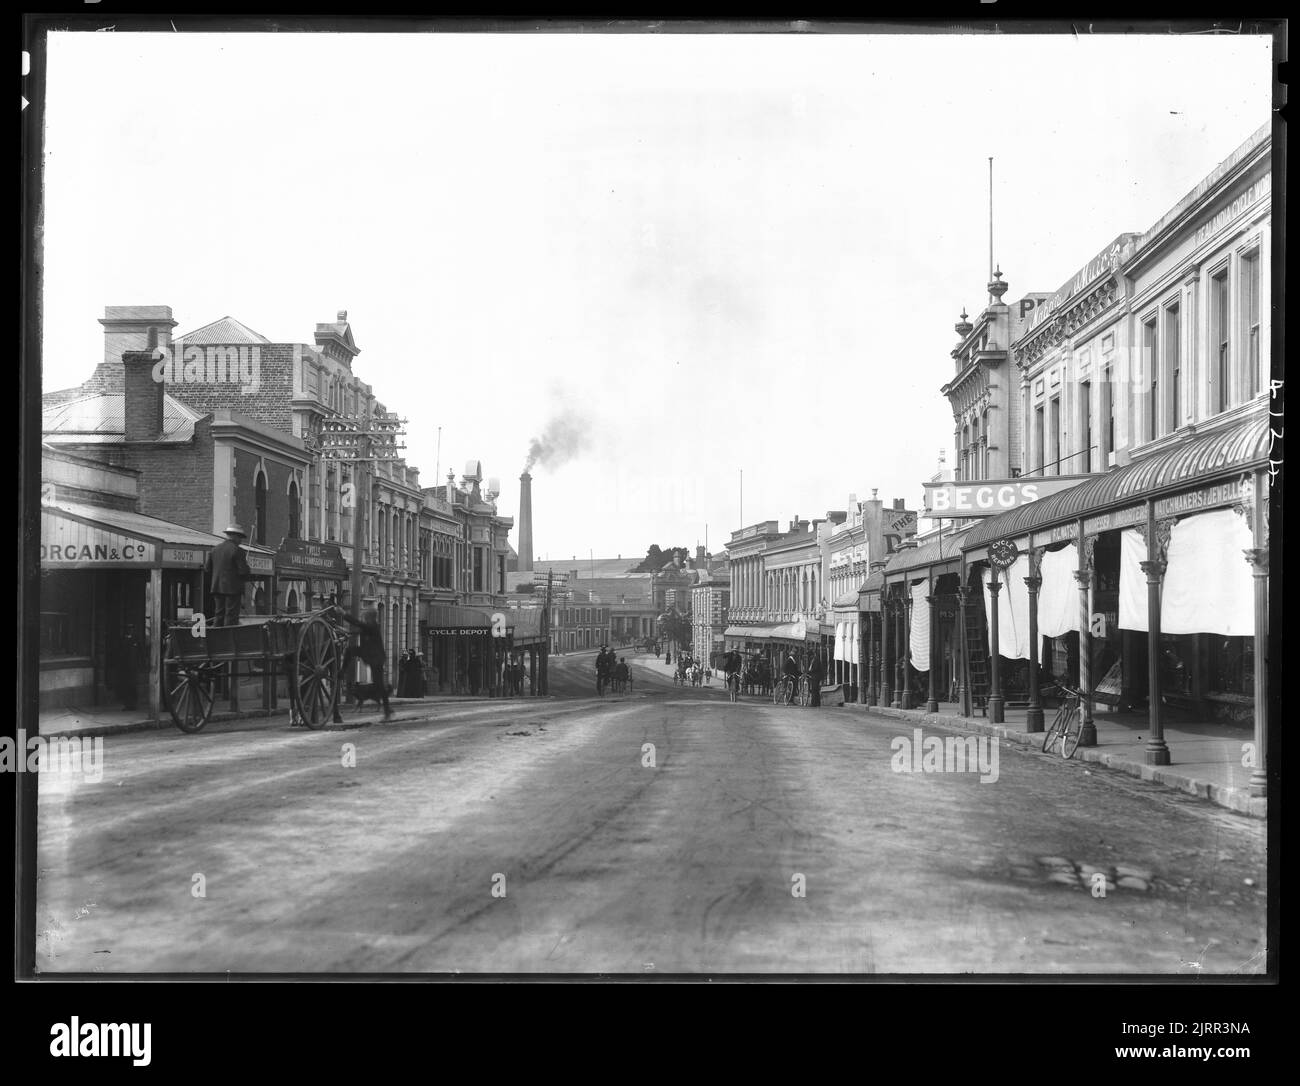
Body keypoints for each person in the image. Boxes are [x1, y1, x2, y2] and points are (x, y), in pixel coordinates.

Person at [340, 608, 392, 720]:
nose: (364, 618)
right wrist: (346, 632)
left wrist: (344, 614)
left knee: (379, 685)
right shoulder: (369, 627)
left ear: (370, 617)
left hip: (376, 658)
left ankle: (387, 710)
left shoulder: (373, 626)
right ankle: (342, 671)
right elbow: (359, 630)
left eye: (366, 616)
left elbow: (360, 625)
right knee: (350, 650)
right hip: (367, 653)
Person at [204, 524, 251, 627]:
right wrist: (248, 570)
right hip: (232, 588)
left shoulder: (214, 550)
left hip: (216, 587)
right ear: (234, 536)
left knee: (219, 613)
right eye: (240, 538)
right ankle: (228, 638)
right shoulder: (238, 551)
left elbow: (207, 569)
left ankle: (216, 636)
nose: (241, 541)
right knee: (231, 614)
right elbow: (243, 571)